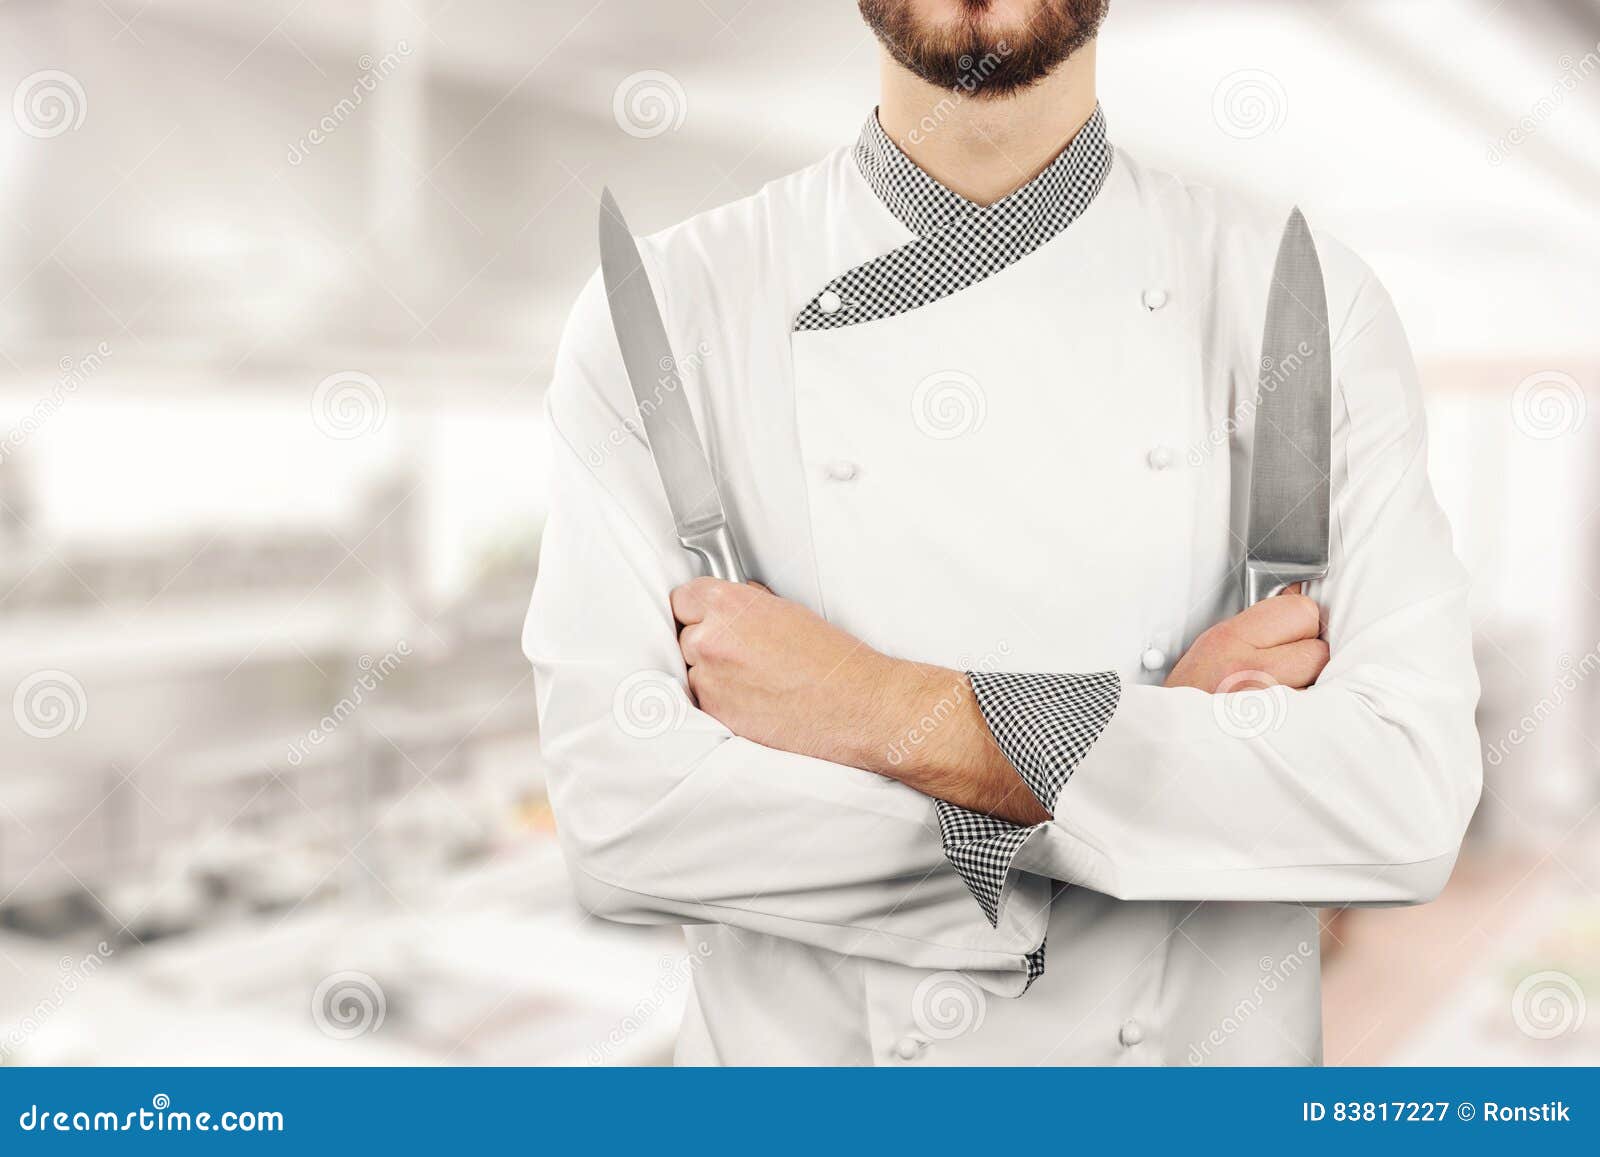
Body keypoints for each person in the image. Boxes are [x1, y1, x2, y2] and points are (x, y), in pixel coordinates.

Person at [524, 0, 1481, 1065]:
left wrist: (870, 707)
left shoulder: (1297, 307)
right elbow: (624, 822)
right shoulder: (663, 313)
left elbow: (1400, 799)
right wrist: (1164, 768)